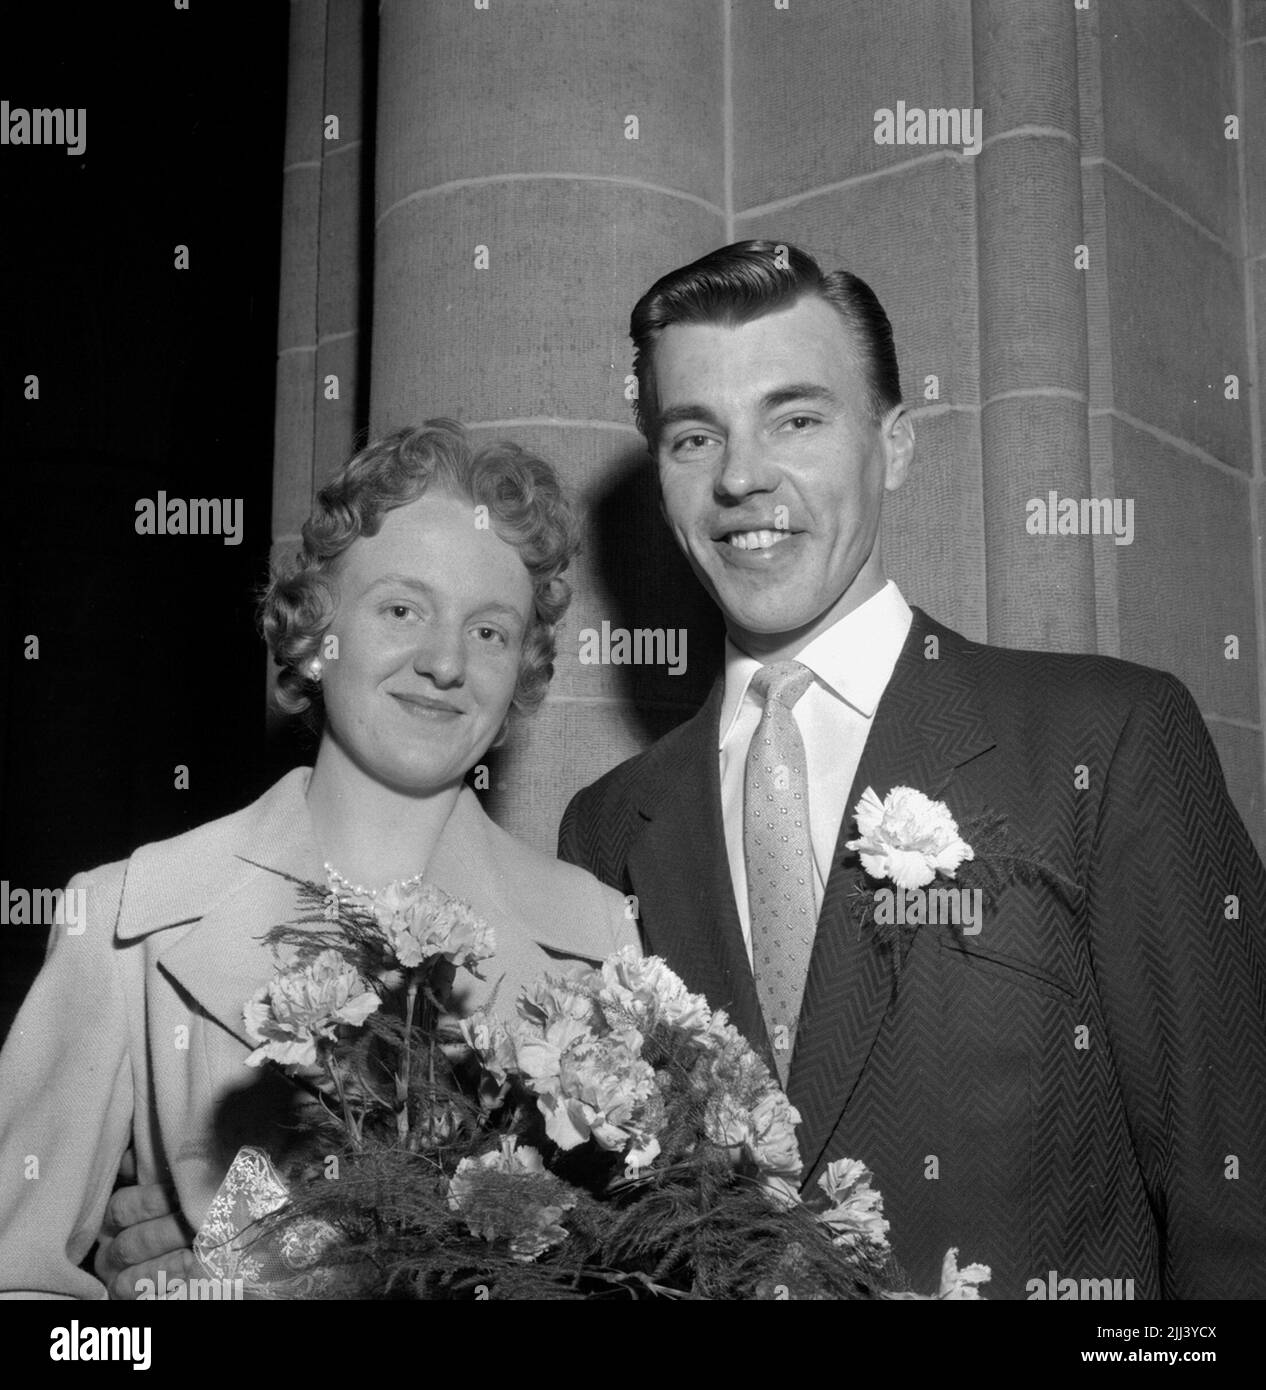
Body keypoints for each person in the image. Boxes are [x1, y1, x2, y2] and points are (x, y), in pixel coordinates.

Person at [557, 240, 1266, 1299]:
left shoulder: (1105, 739)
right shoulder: (609, 829)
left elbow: (1238, 1200)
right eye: (694, 434)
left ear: (895, 445)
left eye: (797, 418)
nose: (743, 476)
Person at [0, 422, 637, 1299]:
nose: (446, 662)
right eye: (402, 609)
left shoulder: (597, 942)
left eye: (490, 631)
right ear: (311, 635)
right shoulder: (126, 922)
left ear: (523, 668)